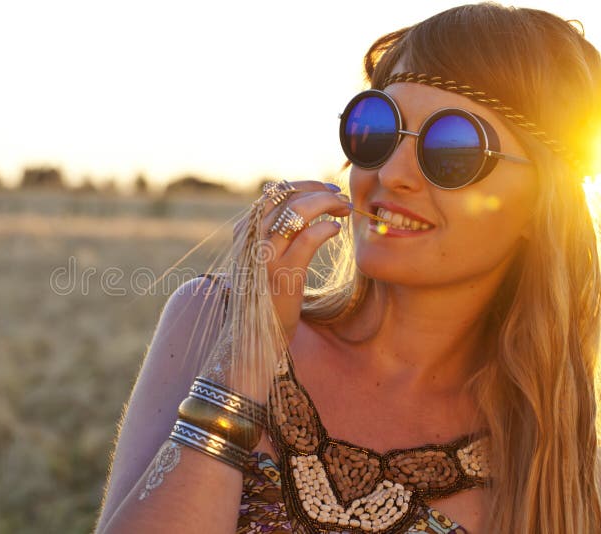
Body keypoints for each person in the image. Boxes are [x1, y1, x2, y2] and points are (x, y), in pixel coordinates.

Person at [95, 3, 601, 533]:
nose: (392, 172)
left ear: (542, 205)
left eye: (453, 148)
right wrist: (244, 364)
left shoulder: (545, 456)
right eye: (377, 130)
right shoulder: (213, 321)